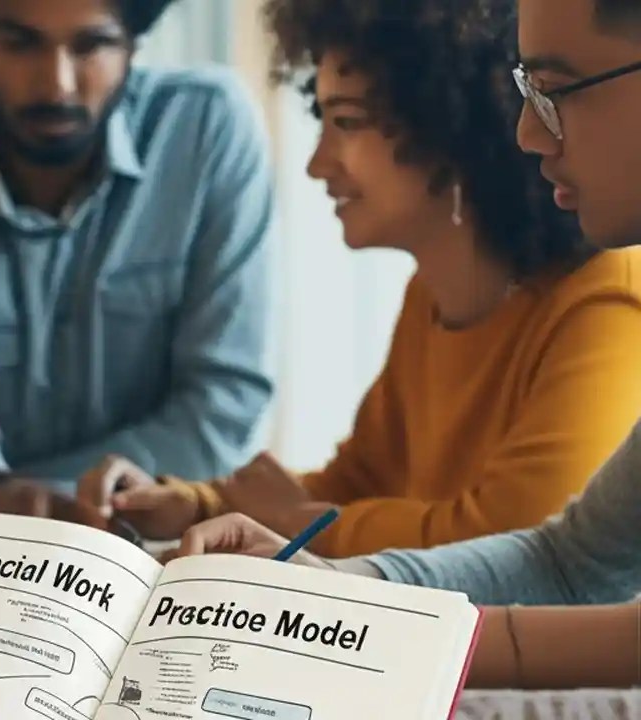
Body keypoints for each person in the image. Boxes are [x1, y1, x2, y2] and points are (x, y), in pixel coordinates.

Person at [152, 0, 641, 689]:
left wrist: (318, 548)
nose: (526, 132)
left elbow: (556, 565)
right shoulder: (430, 299)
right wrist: (331, 587)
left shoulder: (609, 295)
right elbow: (571, 566)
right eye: (529, 92)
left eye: (557, 90)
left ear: (446, 127)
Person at [0, 0, 276, 519]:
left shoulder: (205, 130)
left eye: (91, 46)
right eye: (21, 43)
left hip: (159, 542)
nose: (57, 85)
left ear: (133, 41)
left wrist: (61, 501)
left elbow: (224, 399)